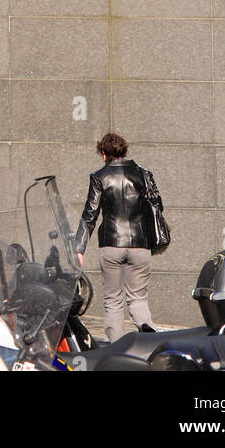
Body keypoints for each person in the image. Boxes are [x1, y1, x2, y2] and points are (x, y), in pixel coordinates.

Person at [74, 131, 158, 342]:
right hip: (140, 244)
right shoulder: (143, 174)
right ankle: (148, 332)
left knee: (113, 301)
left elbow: (90, 215)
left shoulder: (100, 177)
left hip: (111, 243)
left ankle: (115, 347)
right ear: (124, 150)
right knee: (138, 298)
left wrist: (79, 247)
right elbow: (157, 206)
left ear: (104, 153)